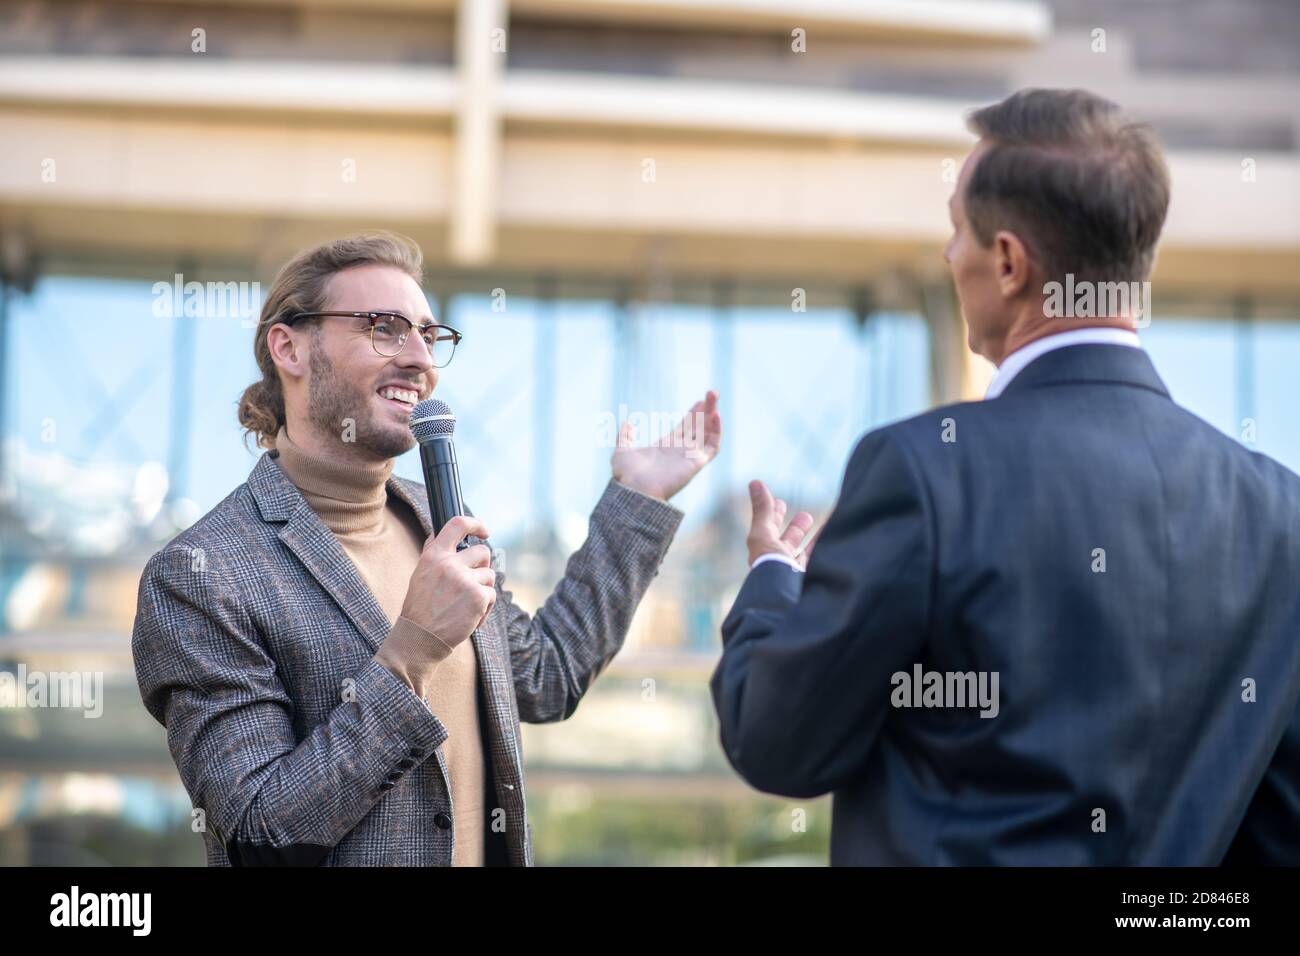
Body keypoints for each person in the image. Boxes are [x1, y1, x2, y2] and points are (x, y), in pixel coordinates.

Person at [712, 88, 1300, 865]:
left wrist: (772, 580)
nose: (947, 254)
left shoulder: (925, 473)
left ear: (1010, 262)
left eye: (957, 229)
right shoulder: (1279, 510)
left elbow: (779, 743)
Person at [132, 232, 722, 866]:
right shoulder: (202, 574)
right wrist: (413, 647)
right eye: (385, 328)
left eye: (428, 335)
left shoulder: (434, 518)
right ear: (289, 346)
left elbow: (545, 677)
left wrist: (637, 500)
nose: (421, 359)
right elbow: (260, 835)